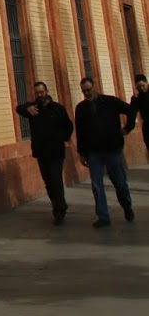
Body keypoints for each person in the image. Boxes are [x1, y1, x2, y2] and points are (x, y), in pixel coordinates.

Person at [74, 75, 135, 227]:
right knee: (96, 185)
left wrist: (128, 127)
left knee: (120, 183)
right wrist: (81, 153)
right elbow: (80, 131)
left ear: (94, 87)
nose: (87, 93)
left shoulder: (110, 102)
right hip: (93, 152)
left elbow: (130, 110)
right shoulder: (81, 108)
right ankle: (103, 216)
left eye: (88, 90)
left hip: (112, 149)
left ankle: (127, 206)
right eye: (84, 91)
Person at [15, 80, 74, 224]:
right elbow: (18, 108)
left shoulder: (57, 108)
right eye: (37, 93)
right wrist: (27, 107)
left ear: (46, 92)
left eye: (41, 92)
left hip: (56, 152)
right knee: (48, 182)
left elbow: (68, 126)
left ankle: (58, 211)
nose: (39, 95)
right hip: (41, 152)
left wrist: (62, 138)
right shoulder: (33, 109)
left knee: (55, 180)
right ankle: (59, 204)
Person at [125, 72, 149, 161]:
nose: (142, 88)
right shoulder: (136, 98)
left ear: (147, 83)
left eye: (143, 85)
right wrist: (128, 128)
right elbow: (132, 113)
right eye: (139, 87)